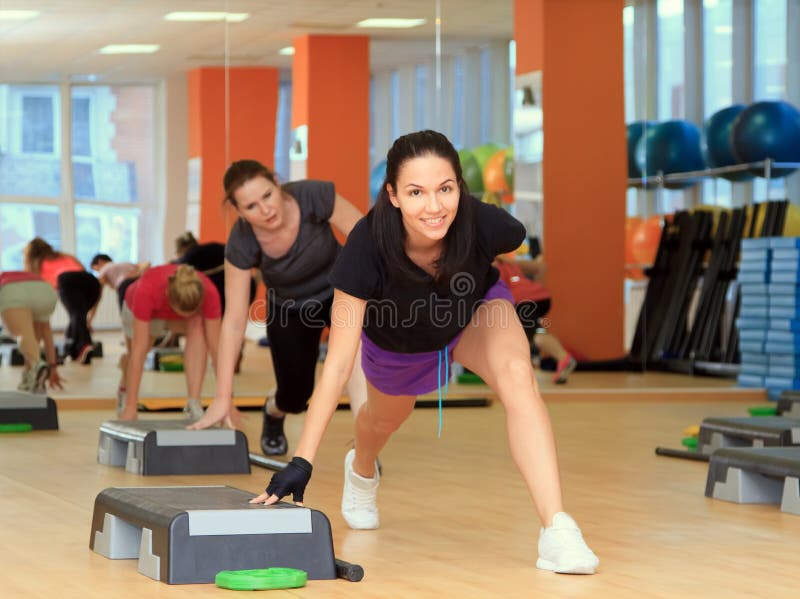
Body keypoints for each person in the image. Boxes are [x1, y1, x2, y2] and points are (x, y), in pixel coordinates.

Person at [249, 130, 599, 575]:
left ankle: (557, 529)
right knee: (381, 422)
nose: (434, 207)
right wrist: (303, 461)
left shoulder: (479, 222)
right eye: (416, 192)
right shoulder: (366, 246)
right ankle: (361, 467)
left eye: (445, 189)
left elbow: (510, 234)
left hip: (473, 315)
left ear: (459, 187)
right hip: (399, 344)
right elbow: (337, 364)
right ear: (393, 195)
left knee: (518, 376)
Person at [189, 160, 368, 459]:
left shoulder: (313, 195)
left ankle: (365, 447)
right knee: (296, 396)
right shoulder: (242, 242)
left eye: (268, 196)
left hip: (339, 291)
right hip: (288, 308)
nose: (266, 210)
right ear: (239, 210)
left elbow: (364, 237)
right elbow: (233, 322)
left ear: (276, 183)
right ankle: (274, 411)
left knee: (353, 356)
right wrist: (223, 397)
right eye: (251, 206)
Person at [117, 263, 221, 420]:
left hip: (173, 310)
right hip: (137, 306)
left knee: (198, 324)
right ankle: (125, 392)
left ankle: (193, 403)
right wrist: (131, 407)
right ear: (170, 300)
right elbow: (139, 352)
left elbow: (217, 350)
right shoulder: (146, 290)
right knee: (136, 353)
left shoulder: (209, 291)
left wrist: (227, 400)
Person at [494, 254, 577, 384]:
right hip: (541, 298)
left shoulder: (492, 266)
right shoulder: (509, 263)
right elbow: (541, 267)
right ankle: (550, 362)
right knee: (530, 332)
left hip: (523, 302)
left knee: (536, 334)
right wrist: (536, 289)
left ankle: (564, 358)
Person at [24, 238, 100, 364]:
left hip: (66, 280)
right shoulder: (65, 256)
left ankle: (84, 345)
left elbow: (39, 288)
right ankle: (74, 350)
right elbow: (81, 270)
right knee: (77, 317)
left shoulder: (37, 264)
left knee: (76, 314)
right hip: (91, 282)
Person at [0, 271, 64, 393]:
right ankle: (31, 374)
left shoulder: (5, 282)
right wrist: (53, 367)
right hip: (45, 290)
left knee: (22, 334)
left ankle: (37, 365)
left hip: (13, 291)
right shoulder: (27, 277)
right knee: (33, 338)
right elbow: (48, 335)